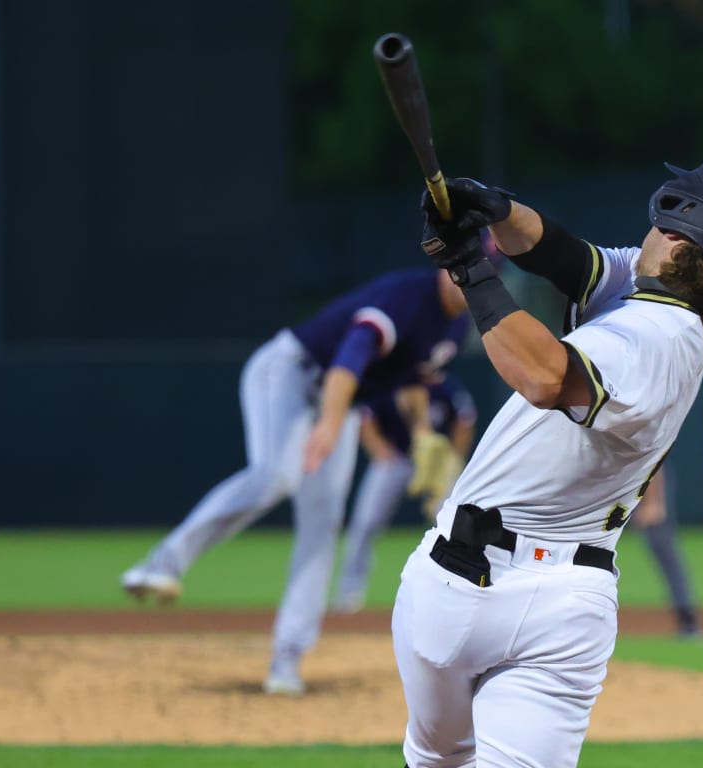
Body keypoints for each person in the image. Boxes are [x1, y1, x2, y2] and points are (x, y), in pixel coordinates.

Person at [393, 156, 703, 768]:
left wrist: (469, 268)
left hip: (525, 595)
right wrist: (495, 209)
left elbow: (544, 375)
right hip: (505, 582)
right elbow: (565, 258)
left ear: (683, 224)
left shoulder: (662, 337)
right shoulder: (667, 294)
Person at [119, 266, 471, 695]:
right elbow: (352, 353)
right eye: (464, 264)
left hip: (336, 404)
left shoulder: (454, 326)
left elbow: (416, 382)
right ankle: (163, 562)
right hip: (290, 371)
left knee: (322, 525)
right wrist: (328, 421)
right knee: (275, 476)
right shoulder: (408, 298)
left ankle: (286, 659)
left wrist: (419, 434)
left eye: (483, 268)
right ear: (446, 265)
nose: (470, 275)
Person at [329, 374, 477, 614]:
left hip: (436, 464)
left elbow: (465, 421)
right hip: (396, 460)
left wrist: (453, 459)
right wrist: (379, 450)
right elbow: (365, 419)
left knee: (453, 526)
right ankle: (348, 594)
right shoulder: (390, 384)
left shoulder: (447, 388)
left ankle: (462, 593)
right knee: (364, 522)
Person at [626, 467, 703, 639]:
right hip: (607, 481)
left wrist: (654, 501)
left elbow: (653, 454)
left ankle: (687, 619)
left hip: (640, 478)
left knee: (664, 550)